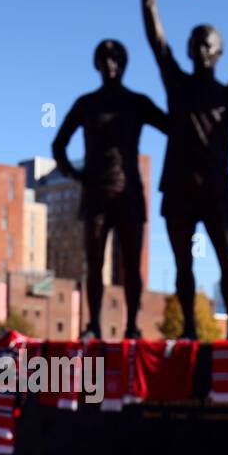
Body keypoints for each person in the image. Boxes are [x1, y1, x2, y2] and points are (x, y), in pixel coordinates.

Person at [136, 0, 228, 339]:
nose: (200, 49)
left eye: (207, 44)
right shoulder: (177, 85)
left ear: (218, 52)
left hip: (216, 189)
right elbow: (155, 39)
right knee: (183, 264)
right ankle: (190, 330)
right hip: (179, 188)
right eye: (195, 43)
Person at [52, 39, 167, 339]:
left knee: (131, 264)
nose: (110, 65)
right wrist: (75, 175)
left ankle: (131, 326)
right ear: (97, 65)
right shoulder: (87, 104)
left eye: (115, 59)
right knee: (95, 263)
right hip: (96, 195)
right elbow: (59, 144)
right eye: (104, 59)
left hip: (129, 194)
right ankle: (95, 326)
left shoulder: (137, 102)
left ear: (124, 64)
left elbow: (174, 128)